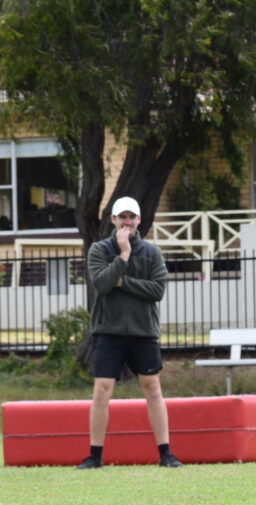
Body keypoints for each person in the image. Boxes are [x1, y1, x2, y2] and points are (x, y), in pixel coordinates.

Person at [77, 196, 182, 469]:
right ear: (112, 220)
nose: (127, 222)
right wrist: (123, 255)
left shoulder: (151, 253)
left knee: (153, 388)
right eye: (121, 217)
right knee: (102, 390)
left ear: (139, 220)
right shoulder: (99, 249)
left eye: (131, 217)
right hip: (107, 332)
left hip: (143, 331)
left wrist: (122, 281)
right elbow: (101, 284)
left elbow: (156, 291)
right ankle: (94, 457)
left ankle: (166, 454)